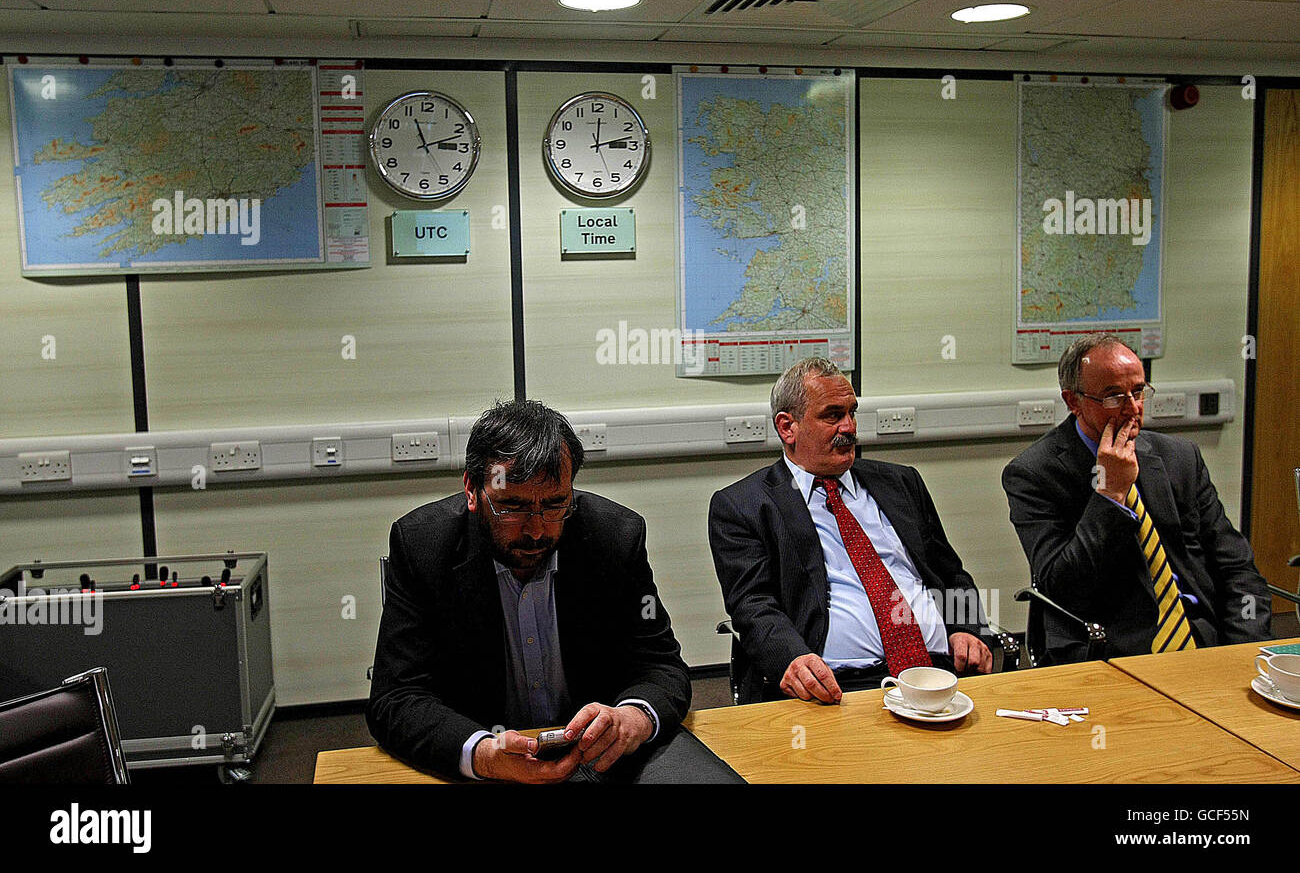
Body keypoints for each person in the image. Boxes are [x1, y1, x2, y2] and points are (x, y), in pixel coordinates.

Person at [367, 399, 691, 783]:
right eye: (512, 507)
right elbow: (397, 698)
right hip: (485, 769)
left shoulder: (615, 537)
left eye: (555, 504)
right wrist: (482, 753)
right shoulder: (422, 546)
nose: (537, 530)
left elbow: (662, 665)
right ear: (473, 490)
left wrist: (632, 717)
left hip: (595, 767)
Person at [708, 357, 994, 704]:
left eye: (852, 412)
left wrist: (966, 626)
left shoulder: (902, 483)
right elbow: (753, 604)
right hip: (838, 685)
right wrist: (791, 658)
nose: (849, 427)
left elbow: (949, 571)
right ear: (787, 427)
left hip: (939, 670)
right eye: (832, 416)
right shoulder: (744, 506)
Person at [1002, 333, 1271, 664]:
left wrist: (1245, 651)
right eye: (1114, 396)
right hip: (1109, 648)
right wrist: (1110, 494)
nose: (1133, 408)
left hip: (1205, 636)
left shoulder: (1180, 458)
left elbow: (1236, 566)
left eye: (1139, 391)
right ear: (1073, 401)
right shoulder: (1034, 473)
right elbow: (1061, 585)